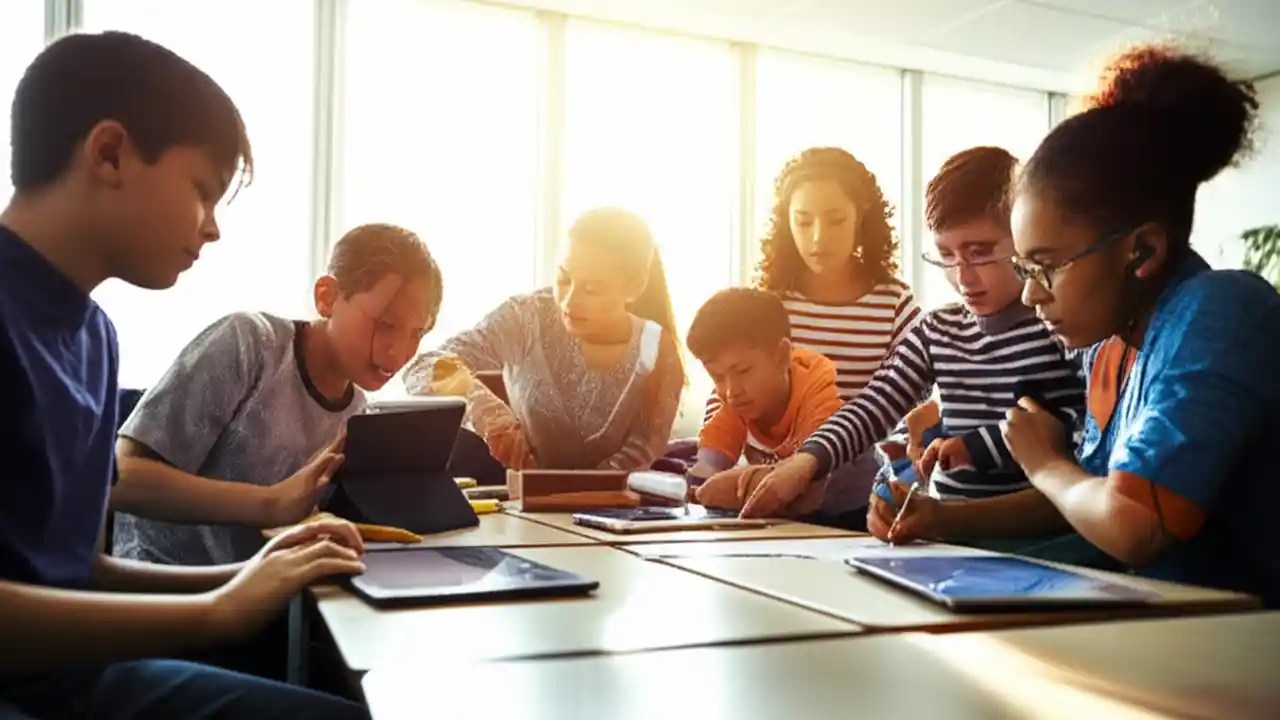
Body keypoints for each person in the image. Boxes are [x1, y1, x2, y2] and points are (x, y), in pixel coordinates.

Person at [0, 32, 368, 717]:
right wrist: (215, 613)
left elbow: (77, 569)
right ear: (109, 154)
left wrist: (250, 573)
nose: (212, 230)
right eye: (203, 192)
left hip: (78, 680)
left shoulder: (94, 337)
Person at [1000, 44, 1278, 606]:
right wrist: (941, 519)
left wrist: (1045, 461)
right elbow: (1089, 502)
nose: (1030, 293)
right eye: (1024, 268)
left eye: (1047, 266)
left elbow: (1131, 521)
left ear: (1141, 251)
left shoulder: (1222, 310)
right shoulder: (1114, 353)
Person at [728, 148, 1087, 540]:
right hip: (950, 544)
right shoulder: (938, 330)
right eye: (946, 256)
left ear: (1022, 236)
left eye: (980, 253)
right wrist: (806, 463)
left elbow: (1073, 432)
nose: (963, 277)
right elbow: (875, 404)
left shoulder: (1063, 327)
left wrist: (975, 447)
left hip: (1037, 541)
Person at [113, 223, 442, 567]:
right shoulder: (250, 345)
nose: (398, 353)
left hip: (269, 596)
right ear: (327, 297)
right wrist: (271, 502)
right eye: (386, 324)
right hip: (165, 593)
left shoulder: (358, 413)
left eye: (416, 333)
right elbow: (123, 477)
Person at [699, 147, 920, 523]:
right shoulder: (770, 301)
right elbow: (725, 393)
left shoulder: (894, 303)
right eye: (803, 221)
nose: (818, 238)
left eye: (835, 220)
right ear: (786, 222)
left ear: (859, 218)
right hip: (765, 492)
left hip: (856, 497)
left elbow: (907, 405)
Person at [404, 207, 684, 471]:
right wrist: (485, 411)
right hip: (514, 500)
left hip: (610, 509)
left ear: (635, 286)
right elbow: (425, 366)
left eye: (592, 289)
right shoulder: (526, 317)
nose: (570, 301)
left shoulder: (658, 349)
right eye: (563, 279)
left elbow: (639, 458)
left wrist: (565, 494)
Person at [684, 289, 844, 514]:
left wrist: (737, 484)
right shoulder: (737, 403)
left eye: (743, 370)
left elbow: (807, 486)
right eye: (717, 377)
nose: (731, 391)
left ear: (781, 356)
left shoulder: (820, 404)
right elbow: (705, 470)